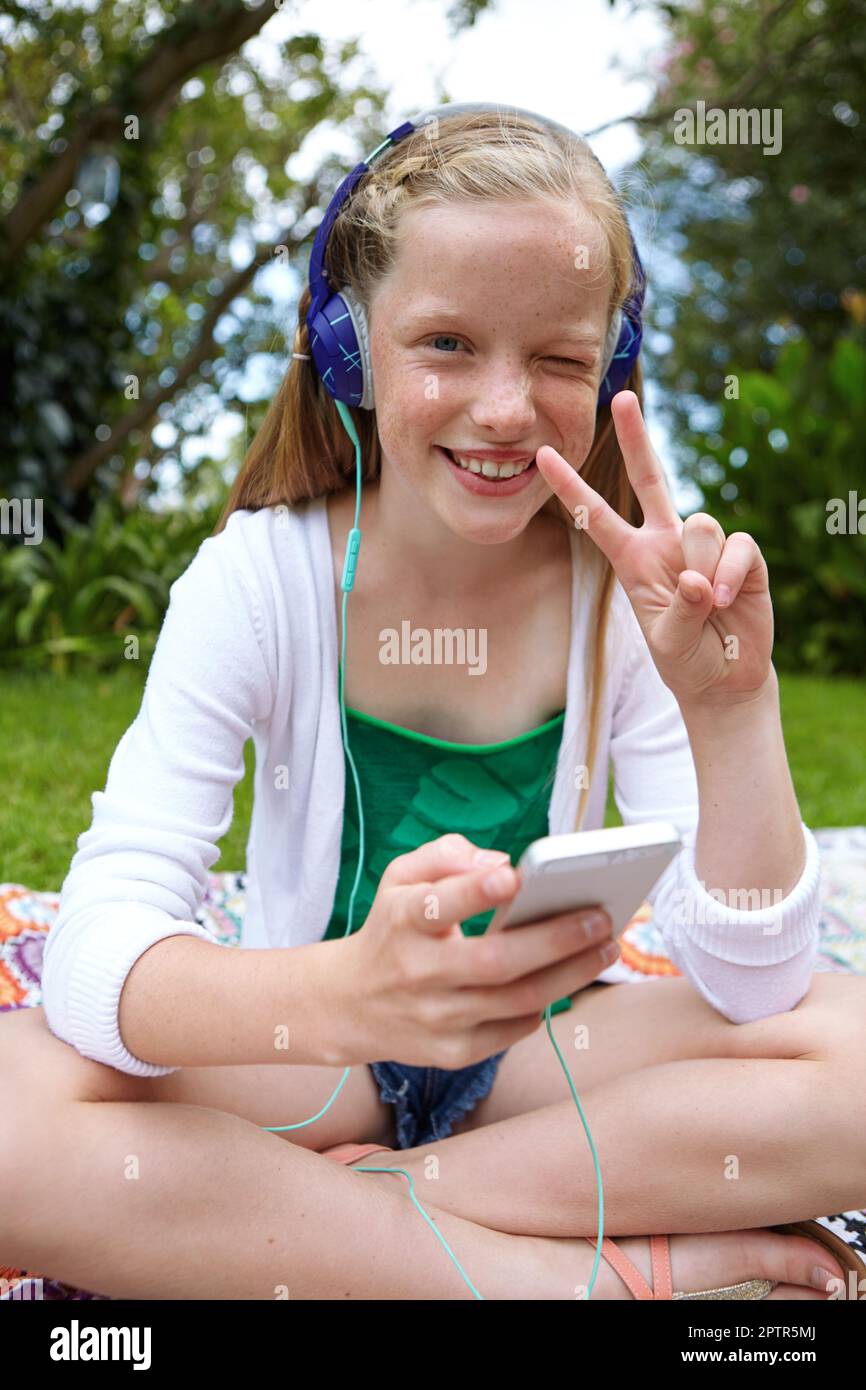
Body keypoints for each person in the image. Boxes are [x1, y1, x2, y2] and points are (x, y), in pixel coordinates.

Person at [2, 106, 864, 1302]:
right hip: (313, 1058)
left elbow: (752, 985)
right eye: (447, 343)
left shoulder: (623, 599)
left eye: (558, 360)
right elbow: (99, 954)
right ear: (349, 352)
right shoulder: (256, 579)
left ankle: (389, 1212)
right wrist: (349, 991)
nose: (505, 407)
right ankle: (584, 1276)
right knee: (8, 1116)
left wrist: (731, 710)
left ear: (608, 369)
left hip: (542, 1063)